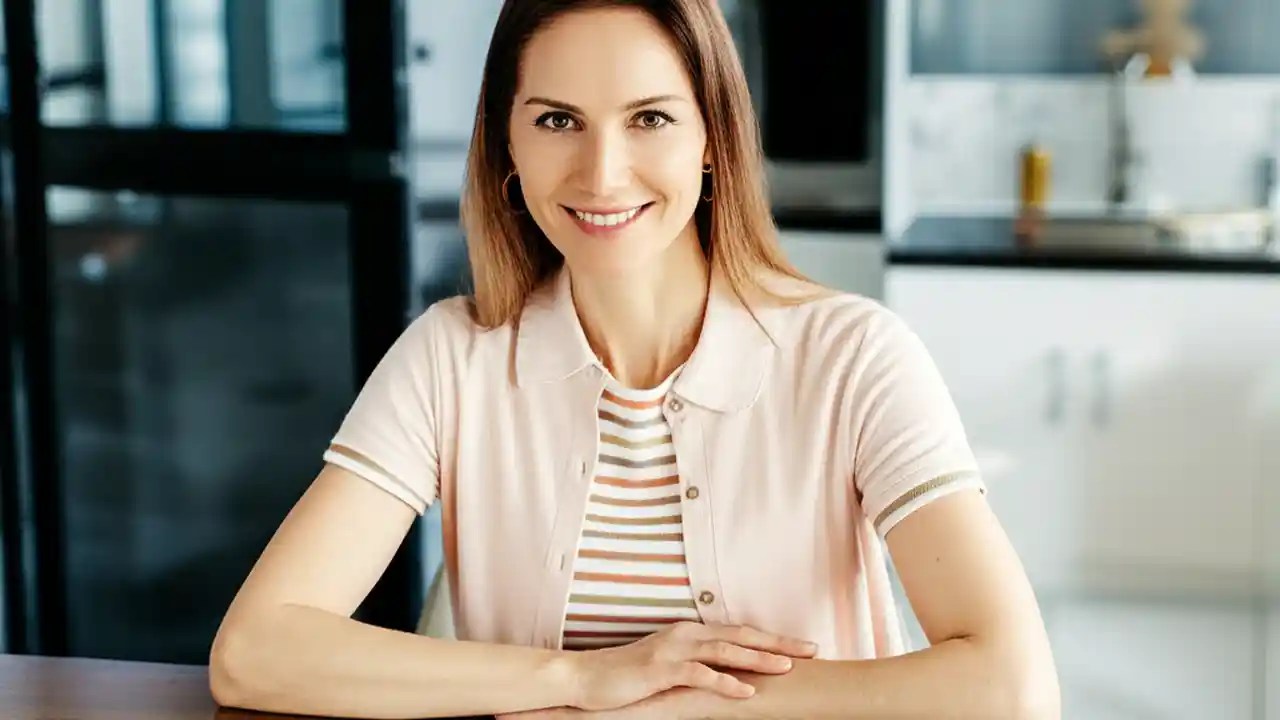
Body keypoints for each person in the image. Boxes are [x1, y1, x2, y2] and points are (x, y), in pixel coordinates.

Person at [209, 1, 1061, 718]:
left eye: (649, 118)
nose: (602, 172)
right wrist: (583, 678)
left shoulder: (854, 357)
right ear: (507, 142)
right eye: (556, 120)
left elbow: (1012, 684)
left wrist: (688, 700)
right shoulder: (451, 357)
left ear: (709, 138)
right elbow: (255, 649)